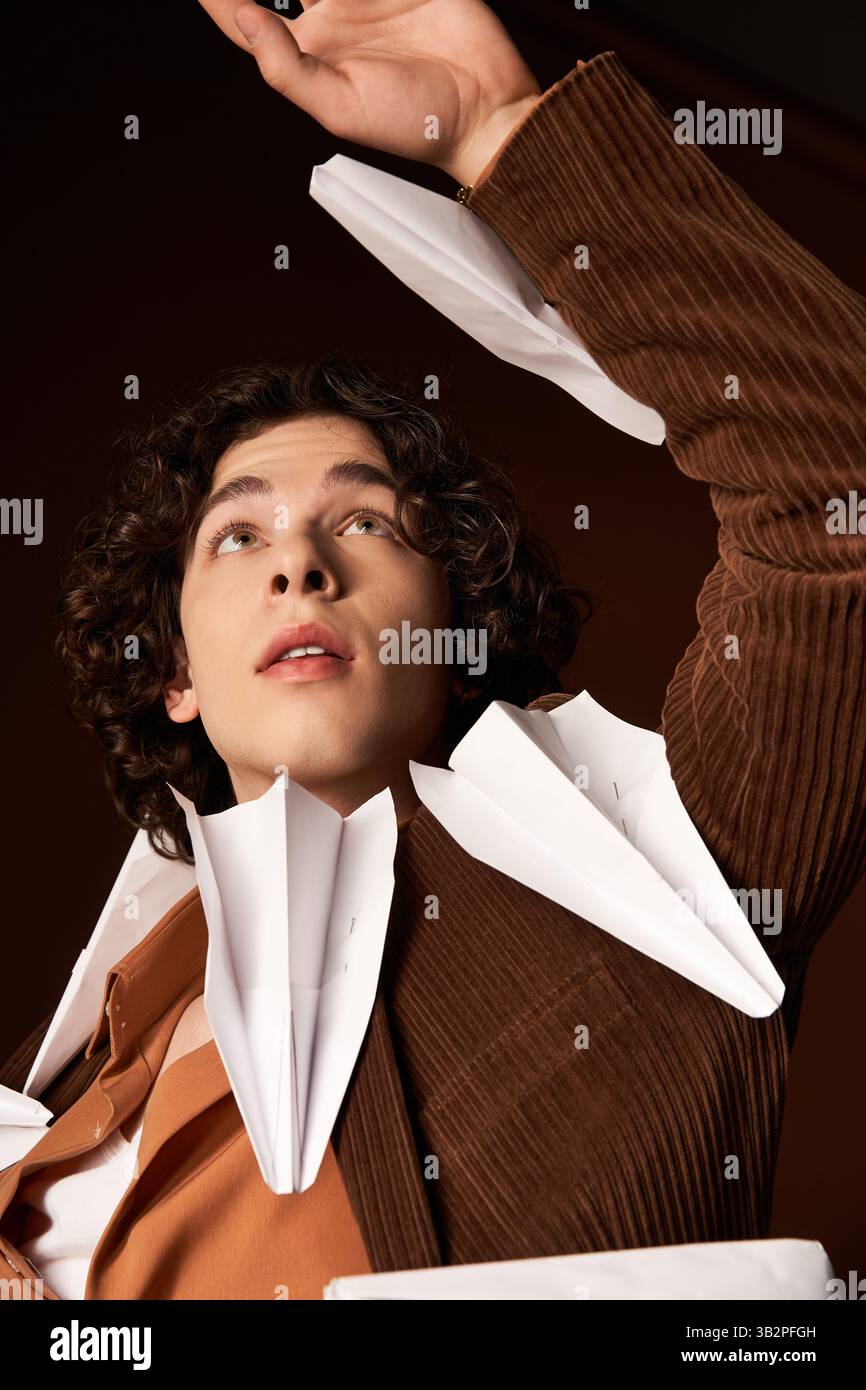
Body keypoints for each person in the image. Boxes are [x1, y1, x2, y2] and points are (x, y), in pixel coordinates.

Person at [0, 0, 864, 1299]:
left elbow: (839, 493)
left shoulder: (658, 887)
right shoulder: (72, 1055)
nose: (300, 560)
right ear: (173, 668)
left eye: (363, 521)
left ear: (454, 639)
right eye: (238, 538)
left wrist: (498, 129)